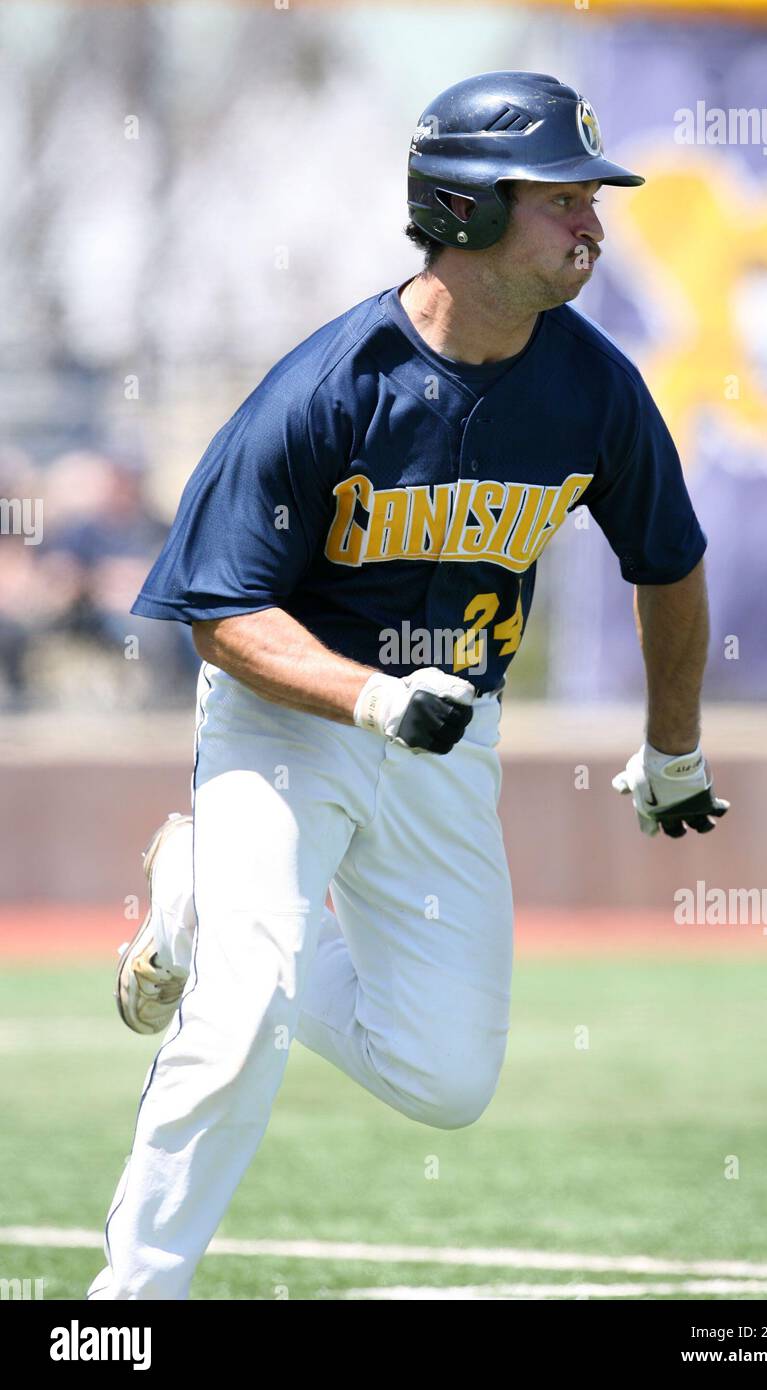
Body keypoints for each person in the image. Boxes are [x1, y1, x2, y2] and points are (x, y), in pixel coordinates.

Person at [87, 71, 728, 1301]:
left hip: (450, 742)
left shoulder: (592, 385)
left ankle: (204, 907)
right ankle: (130, 1308)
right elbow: (217, 612)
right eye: (562, 199)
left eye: (590, 199)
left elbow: (669, 563)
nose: (592, 224)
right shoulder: (326, 388)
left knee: (445, 1079)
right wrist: (371, 700)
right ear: (467, 211)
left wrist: (675, 748)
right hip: (288, 725)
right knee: (233, 1025)